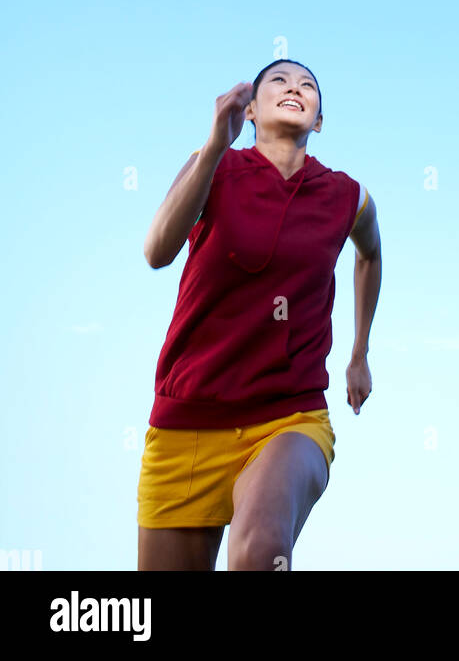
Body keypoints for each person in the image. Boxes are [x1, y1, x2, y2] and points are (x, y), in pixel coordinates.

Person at [136, 59, 381, 571]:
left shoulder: (346, 197)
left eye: (308, 86)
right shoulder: (213, 165)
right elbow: (158, 251)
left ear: (318, 121)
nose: (295, 87)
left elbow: (370, 255)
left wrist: (359, 353)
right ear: (249, 109)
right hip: (188, 419)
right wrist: (214, 147)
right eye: (279, 81)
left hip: (289, 416)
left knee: (259, 550)